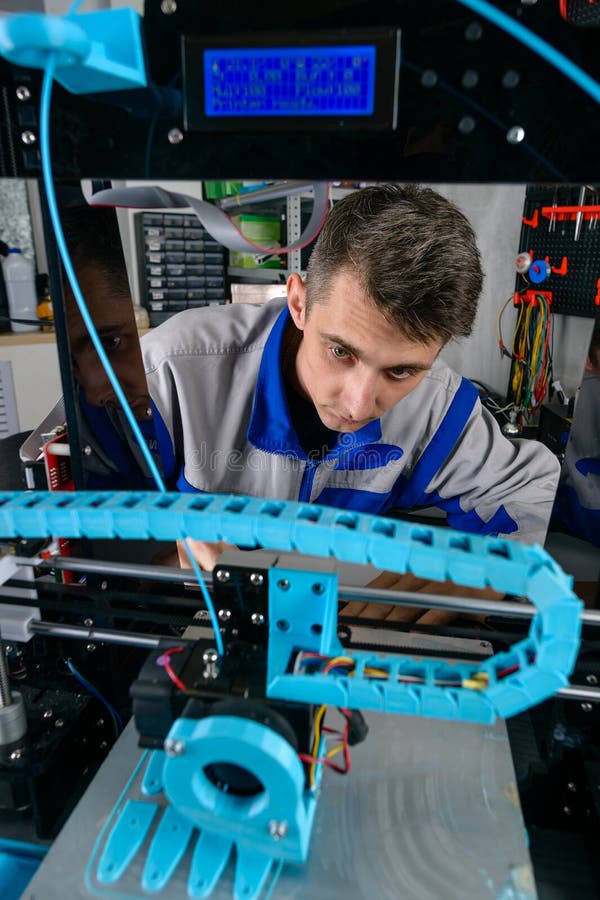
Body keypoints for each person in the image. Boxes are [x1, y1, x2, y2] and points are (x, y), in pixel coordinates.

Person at [141, 183, 561, 614]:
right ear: (299, 303)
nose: (359, 406)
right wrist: (166, 548)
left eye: (401, 371)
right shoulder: (170, 372)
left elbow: (524, 486)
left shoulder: (438, 404)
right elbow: (99, 523)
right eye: (341, 352)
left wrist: (493, 569)